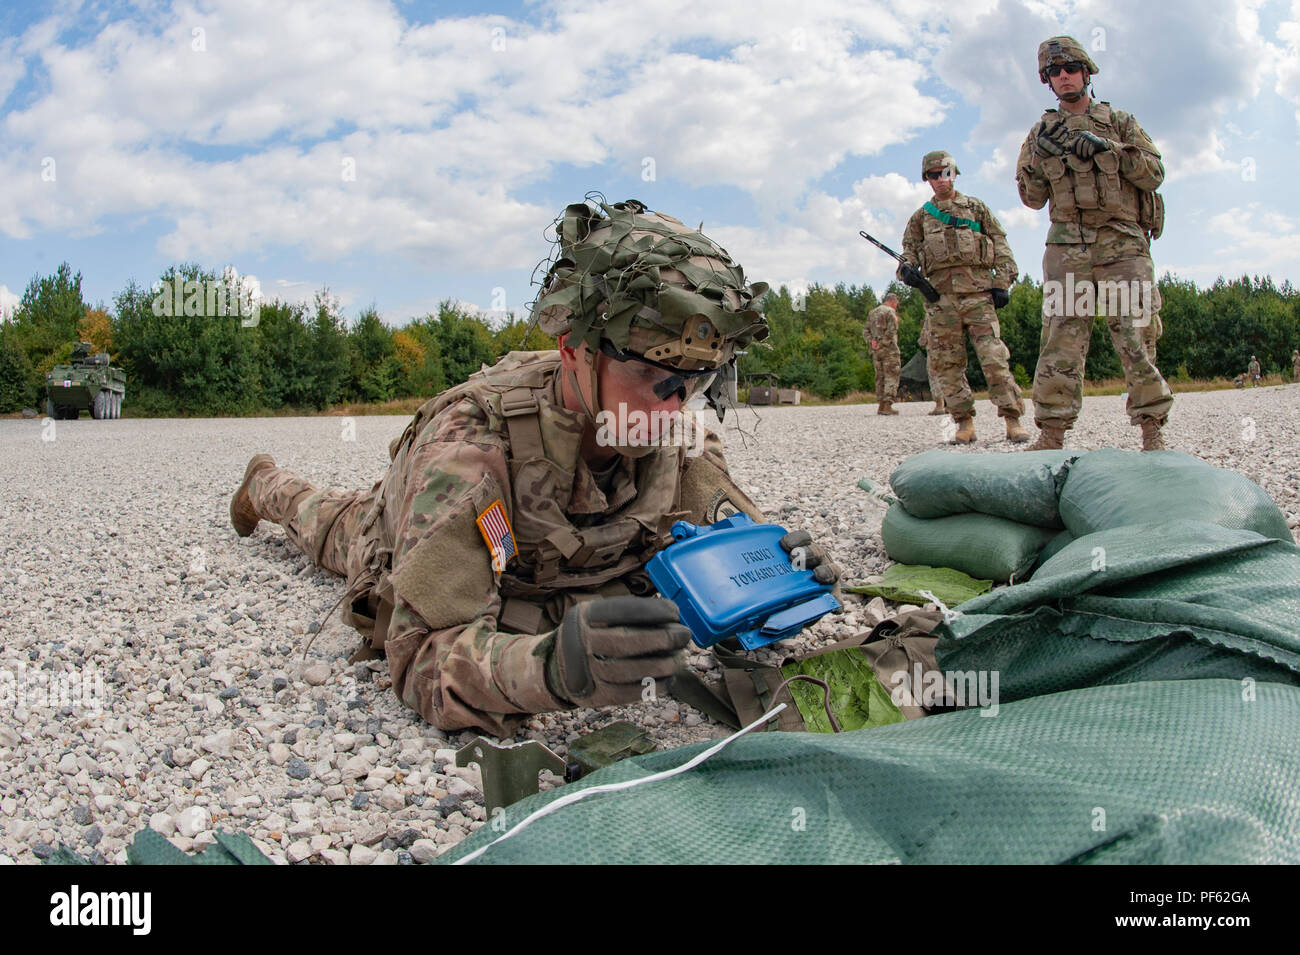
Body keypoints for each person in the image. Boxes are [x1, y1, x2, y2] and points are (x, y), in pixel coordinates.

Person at [228, 198, 839, 735]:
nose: (672, 404)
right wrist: (551, 669)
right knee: (326, 521)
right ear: (574, 351)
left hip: (548, 575)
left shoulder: (678, 427)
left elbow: (732, 557)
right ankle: (264, 482)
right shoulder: (471, 444)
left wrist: (782, 583)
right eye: (649, 375)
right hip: (408, 525)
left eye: (695, 380)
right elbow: (420, 662)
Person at [1016, 35, 1174, 451]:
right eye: (1054, 72)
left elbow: (1154, 174)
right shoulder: (1040, 132)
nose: (1063, 76)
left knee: (1135, 331)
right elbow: (1032, 199)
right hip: (1068, 244)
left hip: (1121, 240)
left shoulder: (1120, 121)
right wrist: (1037, 158)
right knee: (1061, 337)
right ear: (1047, 81)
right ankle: (1051, 434)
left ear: (1086, 72)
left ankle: (1151, 429)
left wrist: (1114, 150)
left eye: (1070, 68)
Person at [898, 150, 1028, 444]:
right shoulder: (920, 218)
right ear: (927, 180)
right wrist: (907, 270)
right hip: (941, 300)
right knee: (948, 364)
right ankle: (964, 423)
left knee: (994, 359)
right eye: (934, 175)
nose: (940, 179)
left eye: (946, 172)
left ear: (954, 173)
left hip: (979, 296)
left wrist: (1002, 281)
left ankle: (1012, 419)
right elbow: (908, 252)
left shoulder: (976, 208)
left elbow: (1001, 243)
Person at [865, 293, 901, 414]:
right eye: (897, 304)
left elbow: (865, 330)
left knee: (879, 377)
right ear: (893, 302)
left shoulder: (872, 312)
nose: (896, 306)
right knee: (891, 375)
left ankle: (880, 405)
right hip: (889, 350)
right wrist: (883, 343)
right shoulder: (890, 312)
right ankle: (887, 405)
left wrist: (872, 343)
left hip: (876, 351)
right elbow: (892, 330)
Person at [918, 315, 947, 414]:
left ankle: (940, 405)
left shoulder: (932, 310)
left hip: (935, 348)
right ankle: (951, 405)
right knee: (950, 374)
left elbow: (926, 331)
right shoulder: (952, 305)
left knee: (934, 375)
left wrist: (922, 341)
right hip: (950, 347)